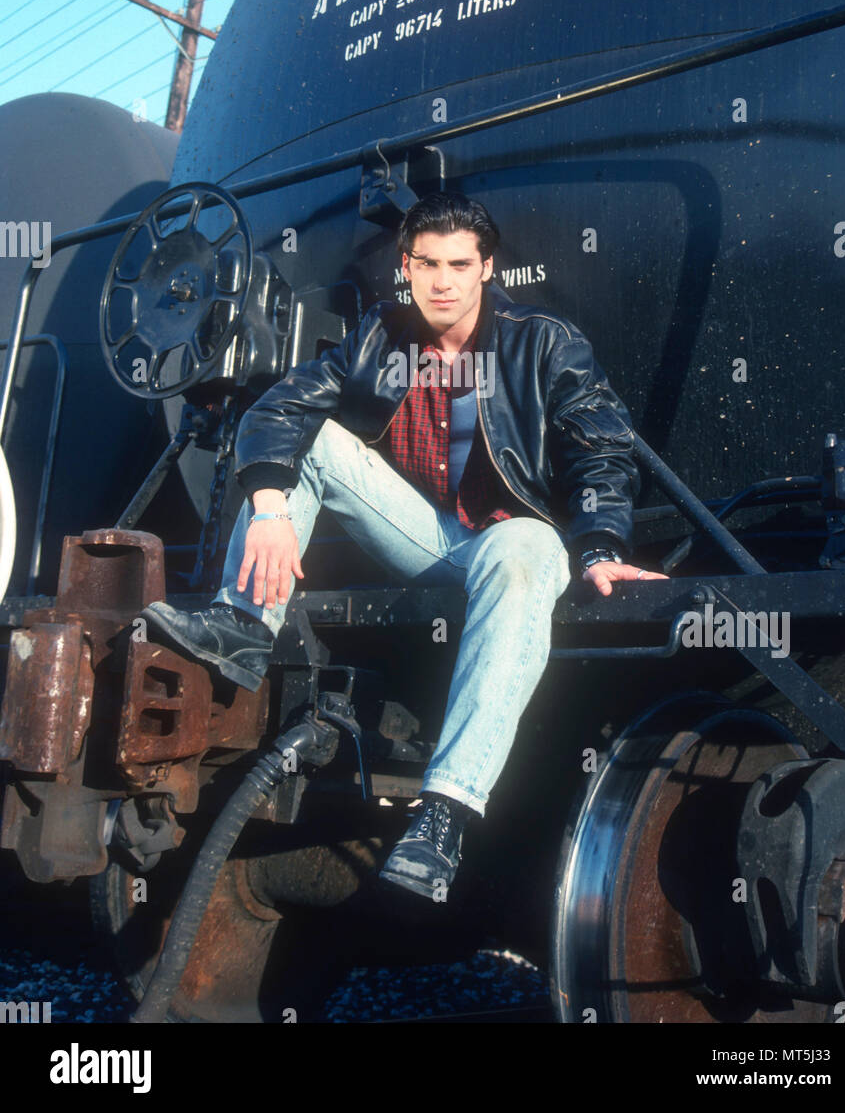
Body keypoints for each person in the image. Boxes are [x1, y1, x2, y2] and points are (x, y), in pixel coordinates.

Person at [142, 193, 667, 900]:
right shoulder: (379, 337)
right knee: (316, 440)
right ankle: (242, 626)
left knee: (528, 548)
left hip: (508, 542)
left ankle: (443, 813)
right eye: (427, 264)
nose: (442, 281)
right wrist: (266, 506)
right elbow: (278, 409)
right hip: (420, 539)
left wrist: (600, 545)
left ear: (486, 269)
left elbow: (599, 447)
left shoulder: (542, 340)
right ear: (407, 266)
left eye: (459, 264)